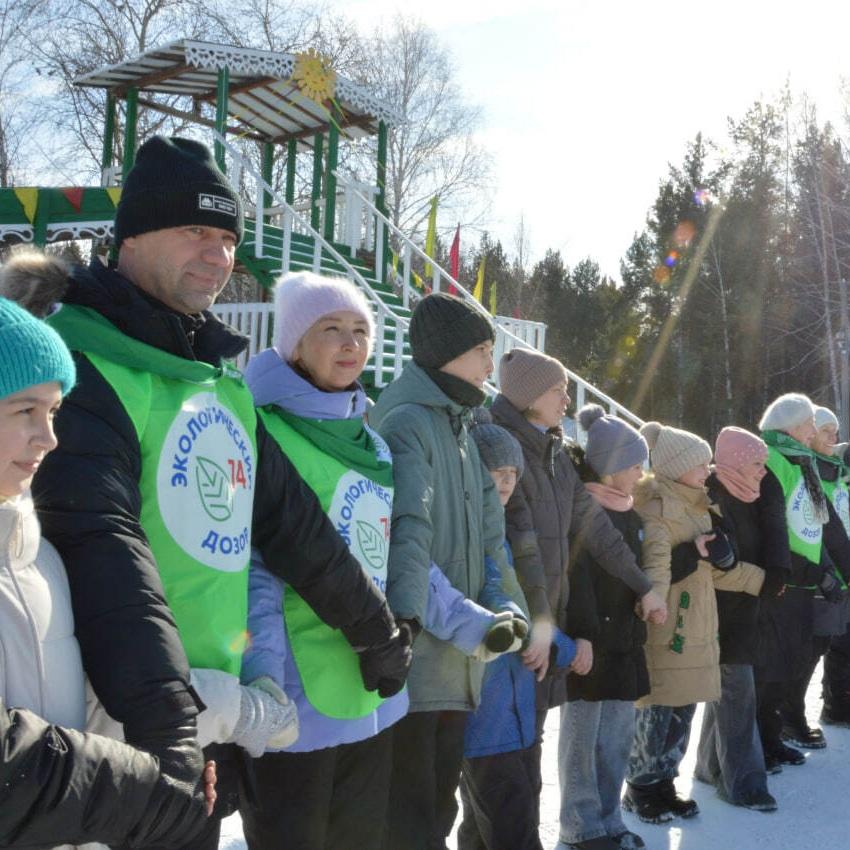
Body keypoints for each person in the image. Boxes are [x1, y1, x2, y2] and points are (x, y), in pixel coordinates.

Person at [24, 136, 409, 850]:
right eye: (194, 231)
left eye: (228, 237)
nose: (218, 254)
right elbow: (100, 540)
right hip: (116, 722)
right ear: (132, 236)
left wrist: (373, 628)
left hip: (209, 713)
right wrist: (168, 726)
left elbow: (296, 526)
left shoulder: (217, 380)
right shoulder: (83, 364)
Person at [239, 273, 515, 850]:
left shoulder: (371, 442)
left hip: (372, 696)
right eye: (331, 329)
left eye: (361, 331)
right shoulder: (261, 430)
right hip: (296, 703)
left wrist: (473, 624)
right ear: (293, 343)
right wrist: (262, 680)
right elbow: (256, 574)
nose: (350, 344)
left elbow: (392, 552)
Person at [0, 291, 213, 848]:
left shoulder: (40, 555)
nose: (49, 439)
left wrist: (164, 768)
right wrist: (141, 792)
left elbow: (75, 710)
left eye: (53, 412)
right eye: (25, 410)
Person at [369, 293, 528, 850]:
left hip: (460, 658)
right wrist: (406, 624)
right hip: (418, 663)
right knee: (411, 819)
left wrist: (506, 608)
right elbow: (406, 529)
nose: (491, 364)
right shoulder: (409, 422)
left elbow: (491, 539)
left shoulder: (462, 426)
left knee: (436, 808)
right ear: (447, 353)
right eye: (483, 350)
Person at [488, 349, 666, 833]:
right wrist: (550, 628)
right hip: (508, 628)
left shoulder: (553, 453)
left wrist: (643, 587)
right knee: (497, 771)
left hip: (543, 632)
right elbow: (520, 549)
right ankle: (577, 828)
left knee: (527, 760)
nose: (567, 398)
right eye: (556, 389)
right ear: (528, 396)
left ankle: (584, 829)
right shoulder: (505, 448)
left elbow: (600, 533)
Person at [624, 421, 764, 824]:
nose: (708, 470)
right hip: (668, 626)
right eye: (700, 464)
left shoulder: (698, 507)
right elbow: (655, 570)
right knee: (657, 713)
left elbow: (713, 570)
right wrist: (658, 604)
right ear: (675, 466)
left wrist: (760, 580)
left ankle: (665, 783)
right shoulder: (656, 510)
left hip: (696, 623)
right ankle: (641, 787)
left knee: (682, 711)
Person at [459, 410, 576, 850]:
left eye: (512, 473)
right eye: (496, 471)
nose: (506, 481)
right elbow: (503, 611)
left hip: (517, 710)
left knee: (485, 823)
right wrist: (560, 645)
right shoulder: (473, 539)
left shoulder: (502, 533)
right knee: (512, 827)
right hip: (487, 716)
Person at [556, 405, 651, 850]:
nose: (640, 473)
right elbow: (578, 581)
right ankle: (581, 825)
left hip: (626, 644)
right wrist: (584, 636)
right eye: (634, 464)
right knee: (582, 741)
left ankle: (610, 819)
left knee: (616, 740)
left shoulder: (632, 514)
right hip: (591, 644)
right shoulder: (583, 509)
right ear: (612, 468)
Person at [694, 426, 778, 812]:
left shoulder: (751, 495)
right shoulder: (711, 495)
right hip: (718, 610)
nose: (764, 471)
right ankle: (744, 784)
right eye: (758, 464)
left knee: (726, 692)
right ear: (738, 462)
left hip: (745, 609)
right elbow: (714, 565)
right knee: (737, 693)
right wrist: (763, 580)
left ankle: (709, 766)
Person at [754, 393, 839, 770]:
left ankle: (773, 737)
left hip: (805, 583)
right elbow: (773, 529)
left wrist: (829, 571)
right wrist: (811, 571)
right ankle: (762, 742)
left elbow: (821, 526)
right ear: (790, 426)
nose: (812, 433)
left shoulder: (803, 460)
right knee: (769, 669)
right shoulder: (772, 458)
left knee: (788, 667)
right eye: (808, 426)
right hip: (783, 582)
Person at [780, 404, 850, 747]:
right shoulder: (805, 470)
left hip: (833, 571)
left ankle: (821, 709)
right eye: (825, 430)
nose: (832, 437)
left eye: (833, 431)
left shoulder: (835, 470)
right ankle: (789, 718)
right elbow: (812, 527)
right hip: (810, 573)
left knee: (823, 645)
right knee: (808, 649)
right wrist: (826, 570)